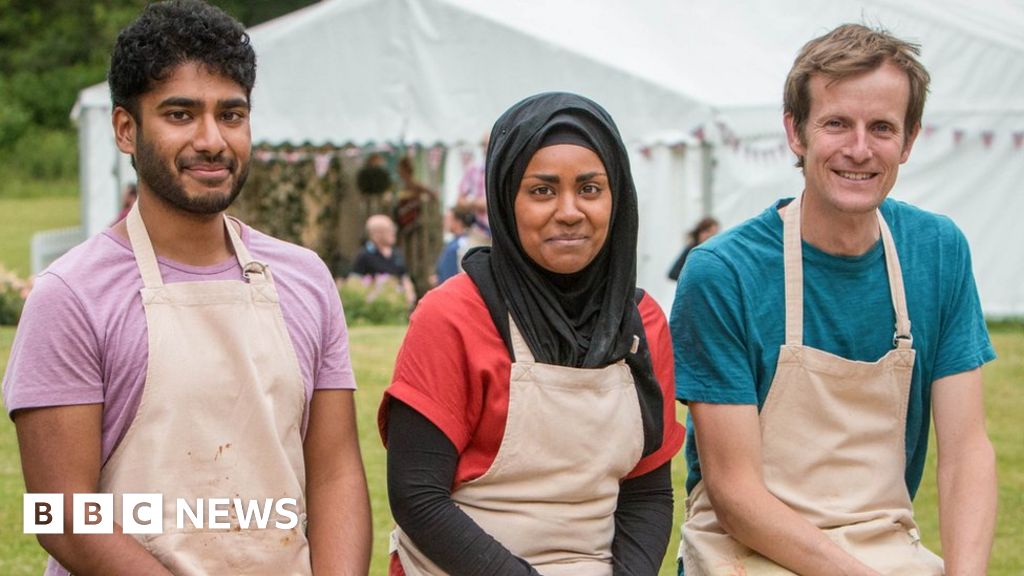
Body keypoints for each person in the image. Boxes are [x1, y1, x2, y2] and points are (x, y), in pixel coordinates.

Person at [1, 2, 372, 574]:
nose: (212, 140)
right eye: (180, 114)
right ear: (127, 129)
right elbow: (61, 513)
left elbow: (336, 474)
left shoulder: (304, 278)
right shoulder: (72, 295)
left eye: (231, 115)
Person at [672, 24, 996, 575]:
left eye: (883, 128)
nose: (860, 149)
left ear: (910, 140)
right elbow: (735, 494)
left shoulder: (937, 251)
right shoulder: (723, 272)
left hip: (883, 543)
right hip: (744, 553)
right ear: (795, 133)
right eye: (837, 124)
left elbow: (967, 453)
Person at [379, 92, 686, 576]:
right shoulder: (453, 317)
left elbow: (648, 492)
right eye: (542, 190)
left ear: (617, 198)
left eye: (590, 188)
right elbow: (417, 496)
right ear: (505, 199)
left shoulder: (643, 323)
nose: (569, 211)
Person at [351, 213, 417, 307]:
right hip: (376, 306)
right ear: (376, 234)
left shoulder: (397, 253)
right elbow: (355, 282)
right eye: (389, 230)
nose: (393, 233)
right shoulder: (364, 255)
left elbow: (404, 277)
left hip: (398, 304)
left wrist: (409, 296)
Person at [666, 216, 719, 282]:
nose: (710, 236)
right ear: (699, 232)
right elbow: (673, 273)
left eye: (714, 233)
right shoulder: (691, 250)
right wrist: (695, 278)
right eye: (708, 231)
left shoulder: (715, 252)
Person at [433, 205, 475, 285]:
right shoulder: (453, 242)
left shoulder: (460, 245)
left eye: (447, 219)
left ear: (457, 221)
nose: (444, 222)